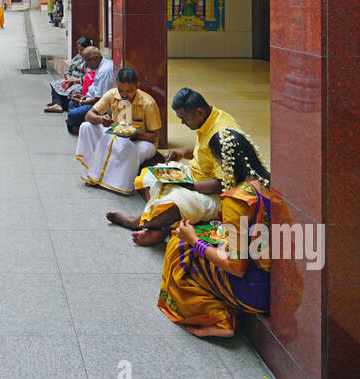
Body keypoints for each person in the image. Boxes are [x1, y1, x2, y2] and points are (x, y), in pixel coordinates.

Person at [157, 129, 273, 338]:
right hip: (275, 283)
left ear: (226, 163)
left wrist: (193, 241)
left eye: (219, 164)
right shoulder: (268, 184)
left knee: (179, 246)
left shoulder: (237, 199)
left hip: (253, 291)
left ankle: (219, 319)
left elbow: (236, 267)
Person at [106, 88, 240, 245]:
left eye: (184, 118)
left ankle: (140, 223)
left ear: (199, 111)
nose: (182, 123)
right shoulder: (210, 117)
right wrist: (182, 152)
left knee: (179, 202)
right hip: (195, 177)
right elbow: (203, 150)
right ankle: (159, 228)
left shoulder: (221, 134)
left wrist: (189, 186)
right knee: (151, 174)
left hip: (215, 194)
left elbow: (222, 184)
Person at [74, 67, 161, 194]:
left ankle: (119, 184)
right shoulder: (112, 94)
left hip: (142, 141)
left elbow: (154, 136)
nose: (125, 94)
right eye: (121, 90)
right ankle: (94, 173)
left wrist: (135, 135)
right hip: (117, 135)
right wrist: (100, 119)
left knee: (128, 147)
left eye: (129, 91)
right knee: (86, 127)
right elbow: (89, 115)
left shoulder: (148, 103)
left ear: (137, 85)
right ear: (117, 85)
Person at [66, 47, 114, 135]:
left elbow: (99, 99)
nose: (86, 65)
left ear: (95, 59)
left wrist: (81, 102)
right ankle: (77, 120)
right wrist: (84, 97)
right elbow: (95, 89)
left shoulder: (104, 71)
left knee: (71, 115)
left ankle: (76, 122)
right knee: (71, 103)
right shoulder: (101, 66)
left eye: (87, 61)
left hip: (101, 106)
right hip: (91, 99)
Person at [45, 36, 91, 113]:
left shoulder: (90, 60)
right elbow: (69, 69)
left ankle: (60, 103)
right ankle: (58, 104)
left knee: (74, 90)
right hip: (71, 79)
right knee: (56, 84)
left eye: (82, 50)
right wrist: (68, 78)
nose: (79, 52)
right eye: (78, 49)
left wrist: (74, 81)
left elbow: (88, 77)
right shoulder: (78, 57)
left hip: (80, 82)